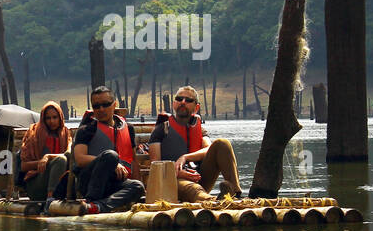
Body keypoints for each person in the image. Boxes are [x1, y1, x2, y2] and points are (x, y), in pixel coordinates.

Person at [149, 85, 242, 202]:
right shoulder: (161, 130)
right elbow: (155, 165)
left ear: (196, 107)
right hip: (173, 181)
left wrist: (185, 157)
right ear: (174, 104)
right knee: (194, 189)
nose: (183, 102)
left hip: (199, 177)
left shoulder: (200, 129)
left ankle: (235, 192)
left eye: (188, 100)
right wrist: (178, 173)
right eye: (179, 99)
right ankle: (213, 202)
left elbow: (208, 148)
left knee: (222, 143)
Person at [71, 85, 145, 213]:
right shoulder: (87, 129)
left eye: (105, 104)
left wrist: (141, 194)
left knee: (138, 186)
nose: (101, 109)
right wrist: (113, 163)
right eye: (96, 106)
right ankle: (91, 200)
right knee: (111, 156)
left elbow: (133, 162)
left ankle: (99, 206)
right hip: (90, 183)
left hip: (114, 183)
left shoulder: (129, 129)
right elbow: (80, 159)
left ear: (114, 104)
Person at [20, 101, 71, 202]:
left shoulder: (65, 132)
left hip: (61, 184)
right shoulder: (34, 133)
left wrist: (48, 157)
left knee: (66, 159)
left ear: (60, 117)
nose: (52, 121)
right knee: (60, 160)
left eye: (55, 117)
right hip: (36, 184)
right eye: (48, 118)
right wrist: (42, 162)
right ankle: (50, 200)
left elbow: (69, 154)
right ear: (43, 119)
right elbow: (23, 166)